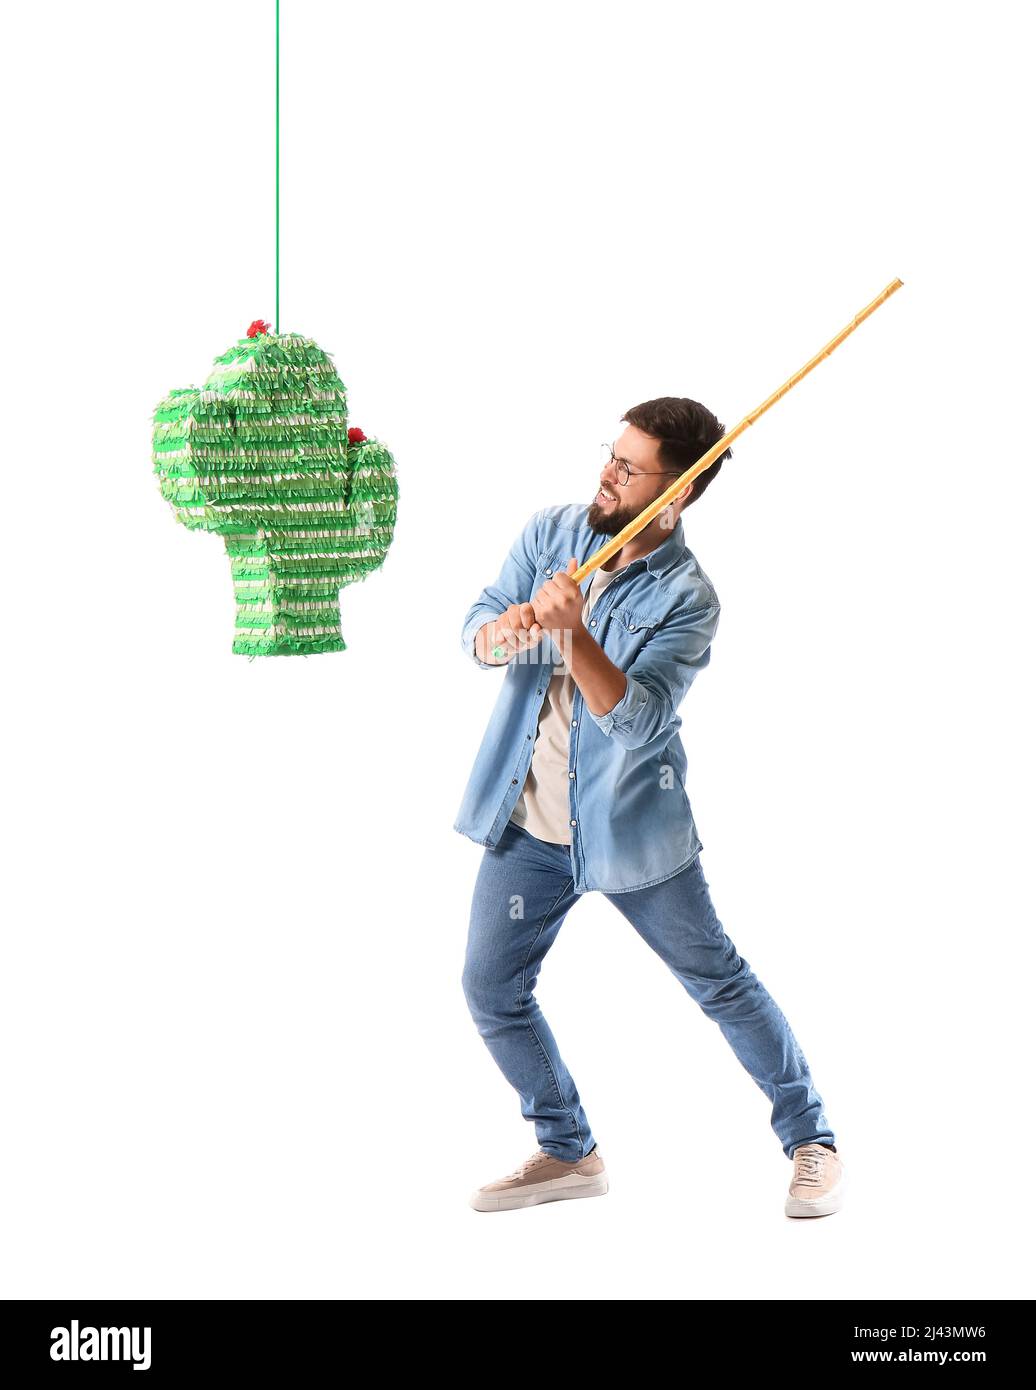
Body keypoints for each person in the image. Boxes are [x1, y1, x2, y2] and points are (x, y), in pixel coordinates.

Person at [455, 397, 844, 1218]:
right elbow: (478, 624)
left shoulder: (689, 598)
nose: (608, 474)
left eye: (630, 469)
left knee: (720, 983)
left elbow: (638, 721)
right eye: (612, 453)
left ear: (677, 492)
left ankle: (812, 1141)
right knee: (490, 988)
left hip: (632, 834)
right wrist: (505, 631)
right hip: (528, 826)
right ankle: (569, 1151)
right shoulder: (551, 532)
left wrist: (575, 635)